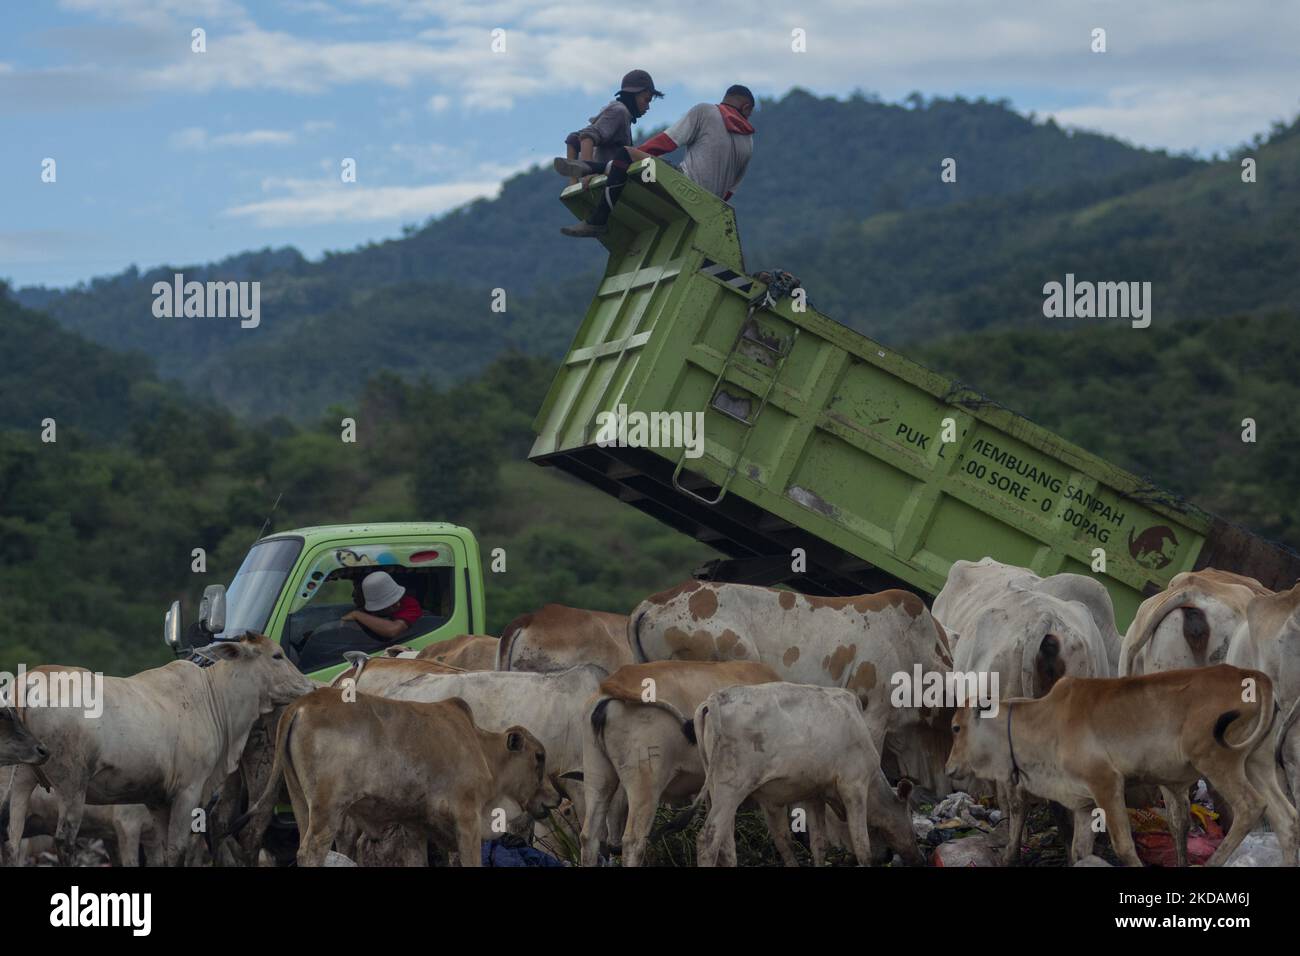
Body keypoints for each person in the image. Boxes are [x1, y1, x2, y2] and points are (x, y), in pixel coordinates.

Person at [552, 69, 664, 238]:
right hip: (610, 175)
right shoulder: (619, 112)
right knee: (648, 166)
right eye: (646, 99)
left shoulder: (617, 113)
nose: (647, 106)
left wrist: (573, 184)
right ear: (633, 96)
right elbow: (586, 137)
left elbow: (572, 139)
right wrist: (585, 175)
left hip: (607, 176)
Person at [634, 85, 756, 201]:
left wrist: (633, 154)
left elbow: (667, 141)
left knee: (646, 169)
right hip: (708, 206)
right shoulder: (749, 142)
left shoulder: (706, 111)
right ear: (745, 107)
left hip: (681, 189)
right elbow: (730, 191)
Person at [341, 570, 422, 641]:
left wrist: (357, 615)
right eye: (356, 589)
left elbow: (392, 630)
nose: (397, 604)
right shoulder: (364, 611)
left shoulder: (409, 604)